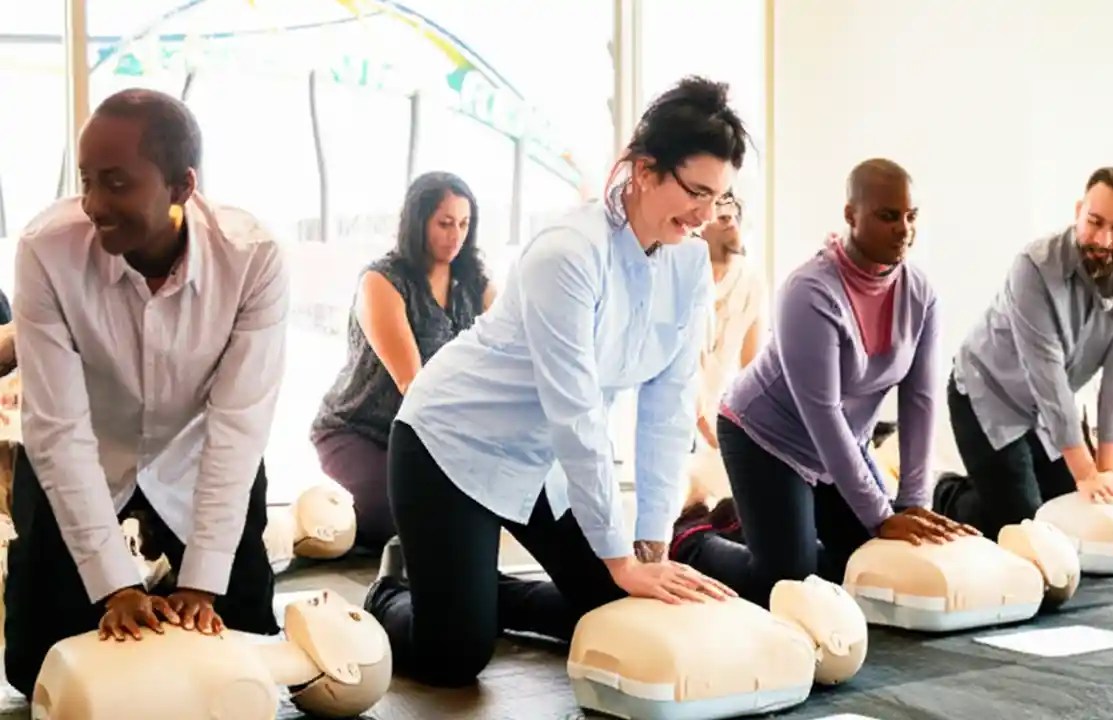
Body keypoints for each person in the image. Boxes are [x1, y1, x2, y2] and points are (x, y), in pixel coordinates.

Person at [363, 76, 746, 687]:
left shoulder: (688, 260)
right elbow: (577, 415)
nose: (705, 216)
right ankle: (396, 588)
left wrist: (650, 543)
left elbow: (667, 406)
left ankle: (483, 594)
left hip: (542, 463)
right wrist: (618, 558)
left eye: (720, 199)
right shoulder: (568, 252)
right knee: (455, 656)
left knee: (624, 609)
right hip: (452, 446)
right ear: (645, 171)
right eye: (696, 192)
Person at [6, 88, 285, 698]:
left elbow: (238, 426)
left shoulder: (252, 259)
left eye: (116, 183)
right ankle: (140, 587)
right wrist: (113, 587)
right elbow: (57, 428)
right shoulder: (44, 251)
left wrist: (203, 583)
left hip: (197, 456)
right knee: (35, 668)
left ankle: (172, 583)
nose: (94, 204)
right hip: (84, 458)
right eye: (86, 181)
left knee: (245, 653)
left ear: (182, 186)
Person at [669, 159, 977, 609]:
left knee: (865, 564)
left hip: (841, 445)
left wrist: (912, 503)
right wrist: (879, 514)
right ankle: (692, 540)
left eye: (911, 217)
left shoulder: (920, 293)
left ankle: (750, 520)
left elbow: (921, 401)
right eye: (888, 216)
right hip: (765, 437)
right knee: (787, 584)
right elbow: (824, 413)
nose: (904, 230)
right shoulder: (809, 291)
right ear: (852, 216)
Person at [933, 167, 1113, 539]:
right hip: (989, 395)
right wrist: (1086, 473)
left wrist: (1108, 475)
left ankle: (993, 484)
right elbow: (1045, 373)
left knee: (1070, 518)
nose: (1103, 238)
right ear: (1078, 210)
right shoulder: (1033, 267)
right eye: (1094, 222)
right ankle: (951, 495)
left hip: (1050, 407)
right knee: (1028, 528)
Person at [311, 172, 494, 551]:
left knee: (463, 509)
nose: (455, 235)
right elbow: (414, 385)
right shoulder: (382, 281)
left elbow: (508, 352)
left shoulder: (475, 283)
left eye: (464, 224)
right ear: (418, 221)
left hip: (433, 439)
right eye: (444, 223)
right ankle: (316, 515)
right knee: (406, 514)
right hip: (359, 431)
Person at [685, 192, 767, 506]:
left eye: (735, 216)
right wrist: (707, 428)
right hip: (676, 417)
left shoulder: (752, 280)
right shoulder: (682, 274)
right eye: (722, 218)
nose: (731, 223)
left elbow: (753, 371)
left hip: (719, 418)